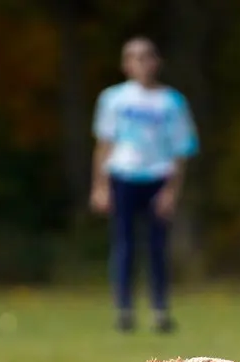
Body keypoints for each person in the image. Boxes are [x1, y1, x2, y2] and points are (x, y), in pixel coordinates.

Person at [90, 37, 199, 332]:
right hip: (123, 176)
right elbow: (104, 144)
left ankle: (160, 311)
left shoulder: (171, 102)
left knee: (157, 248)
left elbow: (180, 150)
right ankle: (124, 309)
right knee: (124, 246)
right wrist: (100, 185)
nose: (142, 63)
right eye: (135, 57)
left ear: (157, 61)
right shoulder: (113, 99)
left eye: (147, 56)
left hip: (157, 177)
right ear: (125, 64)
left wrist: (171, 190)